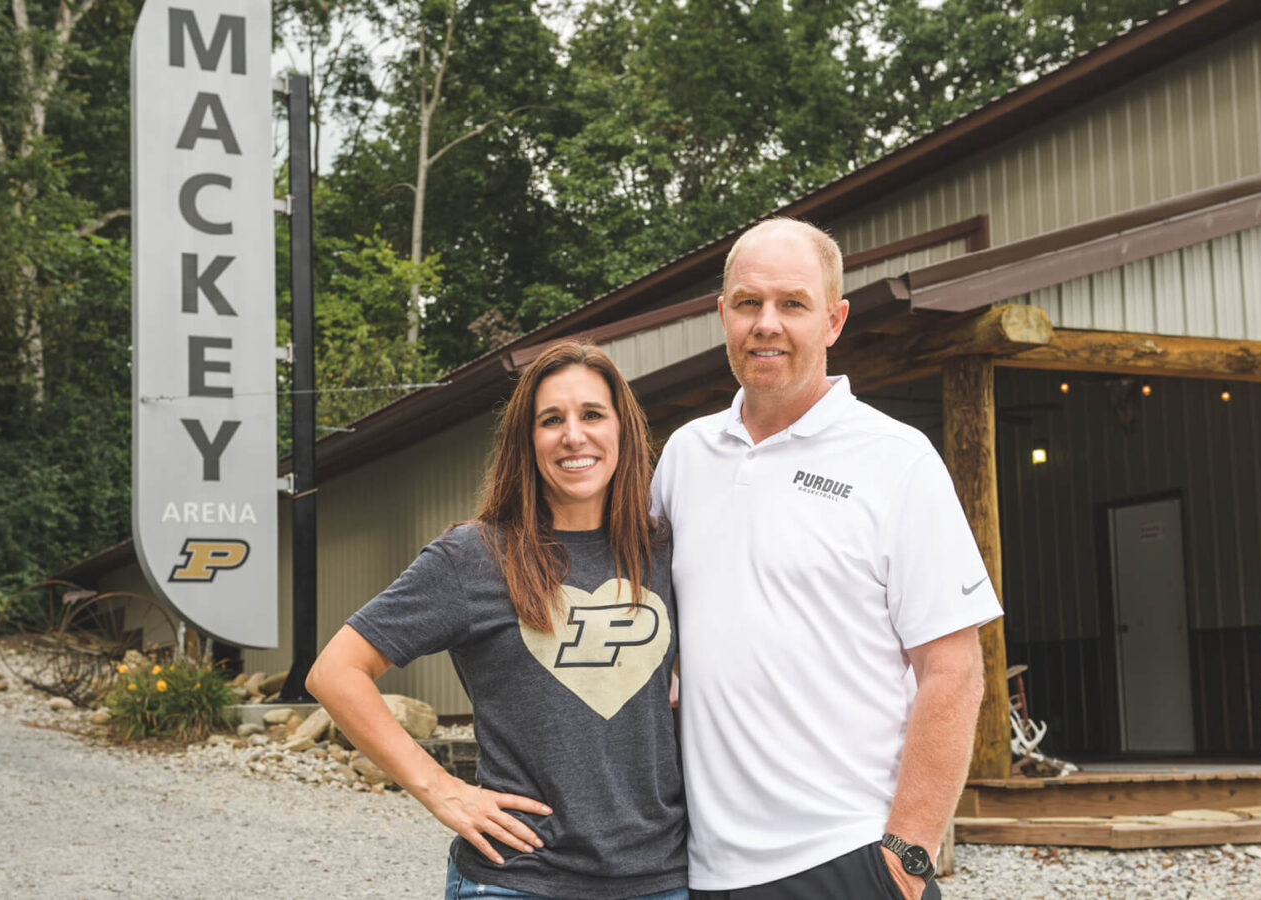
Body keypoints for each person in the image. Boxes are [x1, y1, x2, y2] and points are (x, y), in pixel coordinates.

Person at [650, 217, 1001, 900]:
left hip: (850, 858)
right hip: (705, 869)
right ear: (722, 315)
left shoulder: (896, 460)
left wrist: (905, 857)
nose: (767, 323)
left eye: (793, 304)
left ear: (834, 320)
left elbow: (954, 669)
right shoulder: (684, 459)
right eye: (748, 303)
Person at [307, 341, 686, 900]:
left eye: (592, 415)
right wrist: (439, 789)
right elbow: (335, 672)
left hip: (660, 880)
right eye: (551, 419)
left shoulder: (669, 552)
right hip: (518, 880)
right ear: (526, 441)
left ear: (623, 431)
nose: (573, 435)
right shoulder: (476, 557)